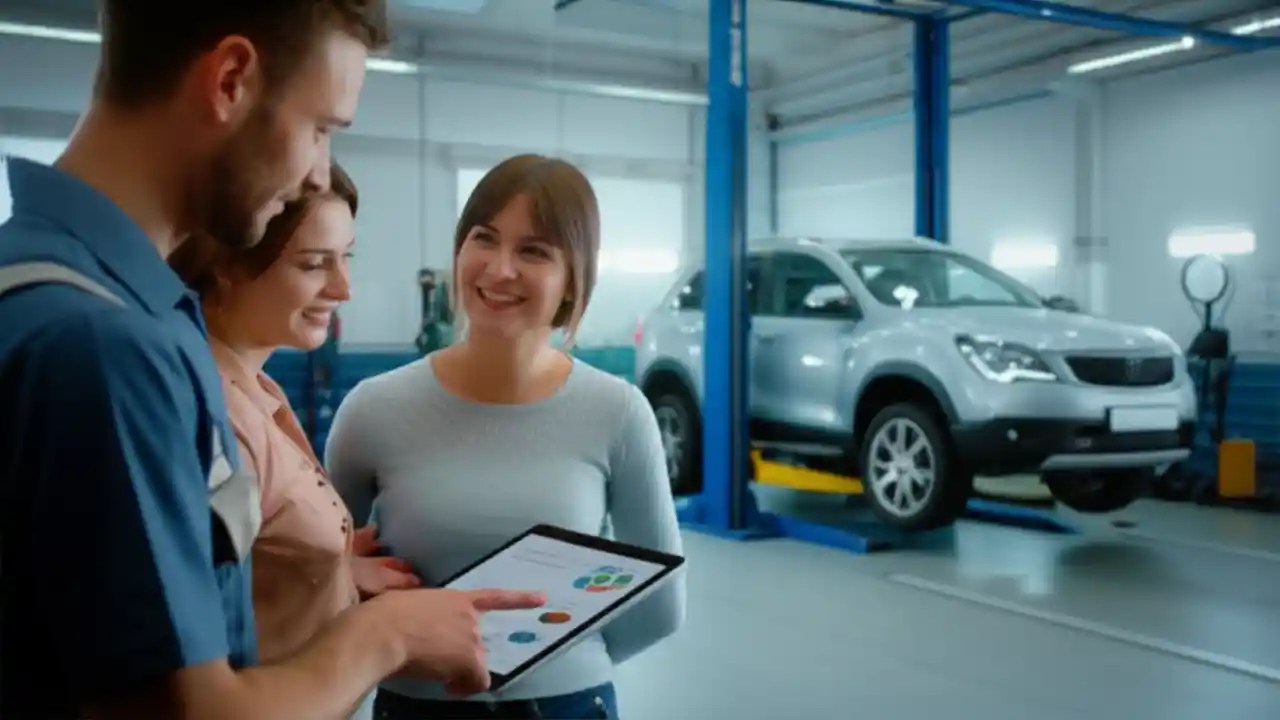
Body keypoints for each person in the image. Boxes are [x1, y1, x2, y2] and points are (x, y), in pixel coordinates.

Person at [0, 4, 543, 720]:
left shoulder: (36, 277)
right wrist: (384, 635)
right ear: (230, 80)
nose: (317, 172)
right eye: (320, 129)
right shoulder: (112, 348)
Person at [325, 154, 687, 719]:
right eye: (484, 239)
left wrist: (559, 667)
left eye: (534, 251)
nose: (499, 269)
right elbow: (316, 577)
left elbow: (659, 606)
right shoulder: (374, 409)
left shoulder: (618, 412)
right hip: (419, 706)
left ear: (573, 280)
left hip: (571, 705)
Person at [168, 160, 422, 720]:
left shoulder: (257, 385)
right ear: (230, 262)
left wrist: (330, 570)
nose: (343, 288)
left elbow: (247, 556)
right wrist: (387, 634)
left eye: (346, 258)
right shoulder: (217, 416)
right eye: (314, 264)